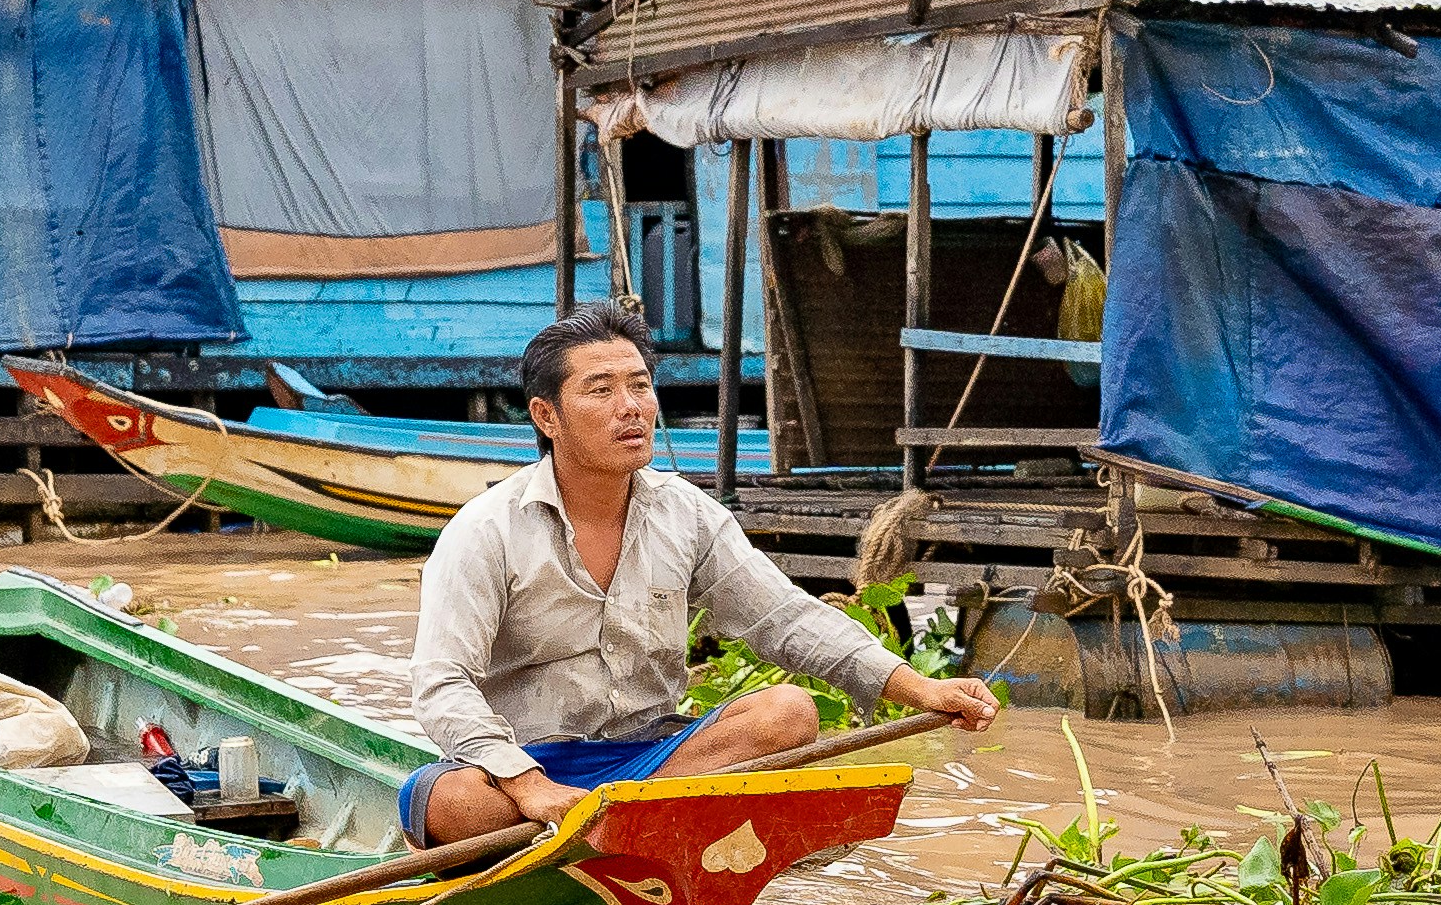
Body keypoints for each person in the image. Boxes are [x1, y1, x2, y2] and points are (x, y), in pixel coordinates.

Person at [400, 304, 1002, 843]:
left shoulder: (685, 514)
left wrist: (920, 687)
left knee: (790, 712)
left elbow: (787, 619)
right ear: (546, 416)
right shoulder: (487, 529)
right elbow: (441, 682)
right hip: (525, 766)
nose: (630, 407)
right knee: (449, 804)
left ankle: (619, 821)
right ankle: (616, 822)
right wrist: (530, 786)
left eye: (640, 385)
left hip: (654, 758)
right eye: (601, 390)